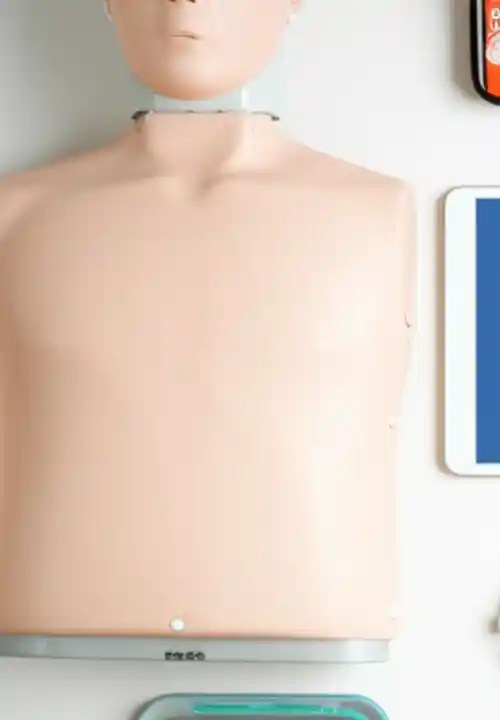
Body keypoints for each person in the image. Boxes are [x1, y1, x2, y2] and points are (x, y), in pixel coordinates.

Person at [0, 0, 415, 662]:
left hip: (319, 608)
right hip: (47, 609)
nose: (185, 2)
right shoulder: (18, 211)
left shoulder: (376, 207)